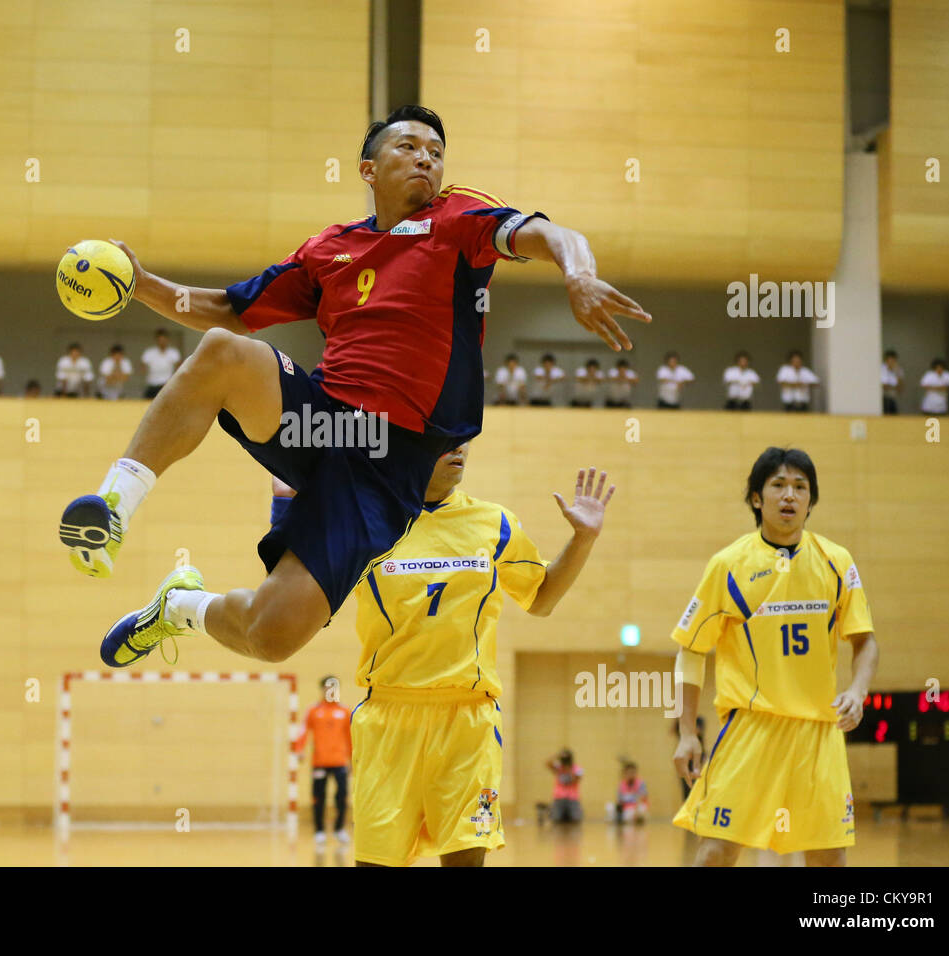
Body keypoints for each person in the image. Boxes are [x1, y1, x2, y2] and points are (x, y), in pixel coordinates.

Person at [64, 103, 648, 674]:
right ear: (368, 169)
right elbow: (230, 308)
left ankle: (180, 607)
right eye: (409, 146)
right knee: (222, 350)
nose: (426, 159)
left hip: (391, 466)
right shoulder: (330, 250)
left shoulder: (457, 220)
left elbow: (550, 233)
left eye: (436, 152)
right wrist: (140, 284)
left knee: (272, 636)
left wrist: (577, 274)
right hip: (324, 421)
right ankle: (114, 504)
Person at [272, 444, 613, 866]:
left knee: (466, 860)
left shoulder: (495, 523)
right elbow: (288, 592)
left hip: (467, 720)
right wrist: (284, 505)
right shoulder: (366, 520)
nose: (460, 446)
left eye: (466, 436)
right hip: (388, 720)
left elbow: (540, 598)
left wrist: (583, 540)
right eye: (445, 435)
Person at [671, 447, 878, 866]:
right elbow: (691, 650)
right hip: (752, 729)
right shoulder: (728, 565)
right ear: (756, 498)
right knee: (714, 851)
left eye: (801, 487)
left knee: (829, 857)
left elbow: (865, 641)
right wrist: (688, 732)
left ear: (811, 500)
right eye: (778, 485)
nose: (789, 496)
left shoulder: (836, 562)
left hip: (818, 733)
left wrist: (858, 690)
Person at [292, 674, 352, 846]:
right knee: (319, 797)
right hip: (320, 762)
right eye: (327, 687)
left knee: (341, 797)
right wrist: (299, 750)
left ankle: (339, 829)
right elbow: (303, 732)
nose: (330, 690)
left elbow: (350, 738)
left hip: (340, 762)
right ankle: (319, 830)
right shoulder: (313, 710)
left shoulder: (345, 711)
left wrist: (352, 760)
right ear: (323, 689)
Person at [140, 329, 181, 399]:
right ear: (157, 340)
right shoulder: (149, 353)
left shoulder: (173, 353)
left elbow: (179, 368)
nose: (162, 342)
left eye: (164, 340)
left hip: (167, 385)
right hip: (152, 384)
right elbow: (142, 368)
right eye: (160, 340)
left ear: (167, 340)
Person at [548, 749, 584, 822]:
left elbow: (576, 780)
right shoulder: (559, 767)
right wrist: (557, 755)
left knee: (576, 819)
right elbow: (548, 763)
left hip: (572, 798)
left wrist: (569, 769)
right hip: (559, 797)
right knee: (555, 819)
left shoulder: (577, 769)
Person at [880, 350, 903, 415]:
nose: (891, 362)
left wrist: (896, 372)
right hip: (883, 398)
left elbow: (900, 388)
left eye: (893, 360)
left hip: (892, 398)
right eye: (890, 360)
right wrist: (893, 387)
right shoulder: (882, 369)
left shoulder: (898, 370)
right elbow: (884, 386)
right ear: (886, 360)